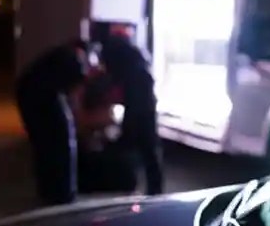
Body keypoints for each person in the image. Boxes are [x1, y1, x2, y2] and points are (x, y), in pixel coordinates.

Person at [15, 39, 114, 205]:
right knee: (61, 143)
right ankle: (63, 194)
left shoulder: (65, 53)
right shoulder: (77, 61)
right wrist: (78, 126)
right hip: (41, 96)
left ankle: (48, 191)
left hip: (27, 93)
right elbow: (74, 99)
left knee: (43, 144)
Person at [98, 27, 164, 195]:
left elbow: (123, 90)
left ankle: (130, 184)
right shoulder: (136, 61)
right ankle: (151, 190)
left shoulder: (126, 65)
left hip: (139, 110)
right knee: (148, 152)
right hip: (145, 109)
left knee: (133, 146)